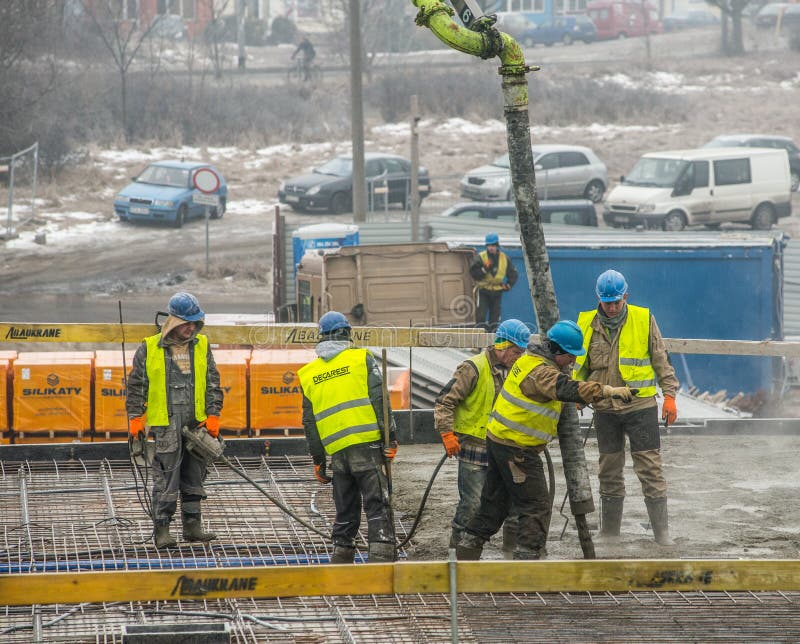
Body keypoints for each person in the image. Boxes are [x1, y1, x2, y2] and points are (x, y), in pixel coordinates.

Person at [457, 320, 635, 560]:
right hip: (517, 450)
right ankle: (528, 560)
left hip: (500, 442)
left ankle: (466, 552)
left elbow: (557, 389)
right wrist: (608, 391)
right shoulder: (540, 372)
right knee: (536, 506)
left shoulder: (530, 360)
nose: (573, 361)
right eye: (571, 356)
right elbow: (563, 387)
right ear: (558, 351)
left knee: (493, 505)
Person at [573, 269, 680, 546]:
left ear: (626, 297)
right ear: (598, 298)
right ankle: (609, 533)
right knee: (608, 469)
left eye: (616, 302)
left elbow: (661, 360)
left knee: (650, 468)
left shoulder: (643, 319)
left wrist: (669, 395)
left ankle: (662, 534)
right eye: (607, 302)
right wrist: (576, 393)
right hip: (605, 410)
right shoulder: (585, 323)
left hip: (640, 407)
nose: (611, 307)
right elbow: (578, 366)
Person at [298, 311, 398, 564]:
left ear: (320, 337)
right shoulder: (360, 359)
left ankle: (342, 556)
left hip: (337, 452)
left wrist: (319, 460)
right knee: (377, 503)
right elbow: (380, 400)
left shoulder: (308, 373)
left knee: (345, 508)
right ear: (347, 334)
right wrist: (391, 439)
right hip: (367, 445)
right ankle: (382, 558)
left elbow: (310, 423)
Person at [126, 292, 224, 549]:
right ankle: (162, 530)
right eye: (186, 323)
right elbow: (136, 387)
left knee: (195, 474)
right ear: (173, 321)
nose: (191, 328)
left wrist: (213, 415)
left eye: (195, 322)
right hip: (166, 423)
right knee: (166, 477)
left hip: (196, 423)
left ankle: (193, 527)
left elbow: (213, 383)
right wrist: (135, 419)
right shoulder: (149, 348)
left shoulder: (202, 345)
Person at [434, 318, 530, 556]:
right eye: (516, 352)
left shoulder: (516, 369)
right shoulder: (473, 368)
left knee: (515, 503)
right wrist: (447, 433)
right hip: (474, 448)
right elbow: (445, 402)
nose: (519, 357)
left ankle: (512, 552)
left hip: (506, 448)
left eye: (522, 352)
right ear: (502, 346)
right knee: (473, 504)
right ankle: (459, 554)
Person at [470, 232, 518, 332]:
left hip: (497, 292)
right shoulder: (481, 257)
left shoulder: (504, 258)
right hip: (484, 291)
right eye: (489, 245)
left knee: (495, 319)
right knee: (481, 316)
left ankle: (493, 343)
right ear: (486, 246)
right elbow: (473, 273)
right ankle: (479, 344)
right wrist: (484, 269)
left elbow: (513, 273)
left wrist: (509, 284)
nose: (491, 248)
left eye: (493, 245)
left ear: (497, 245)